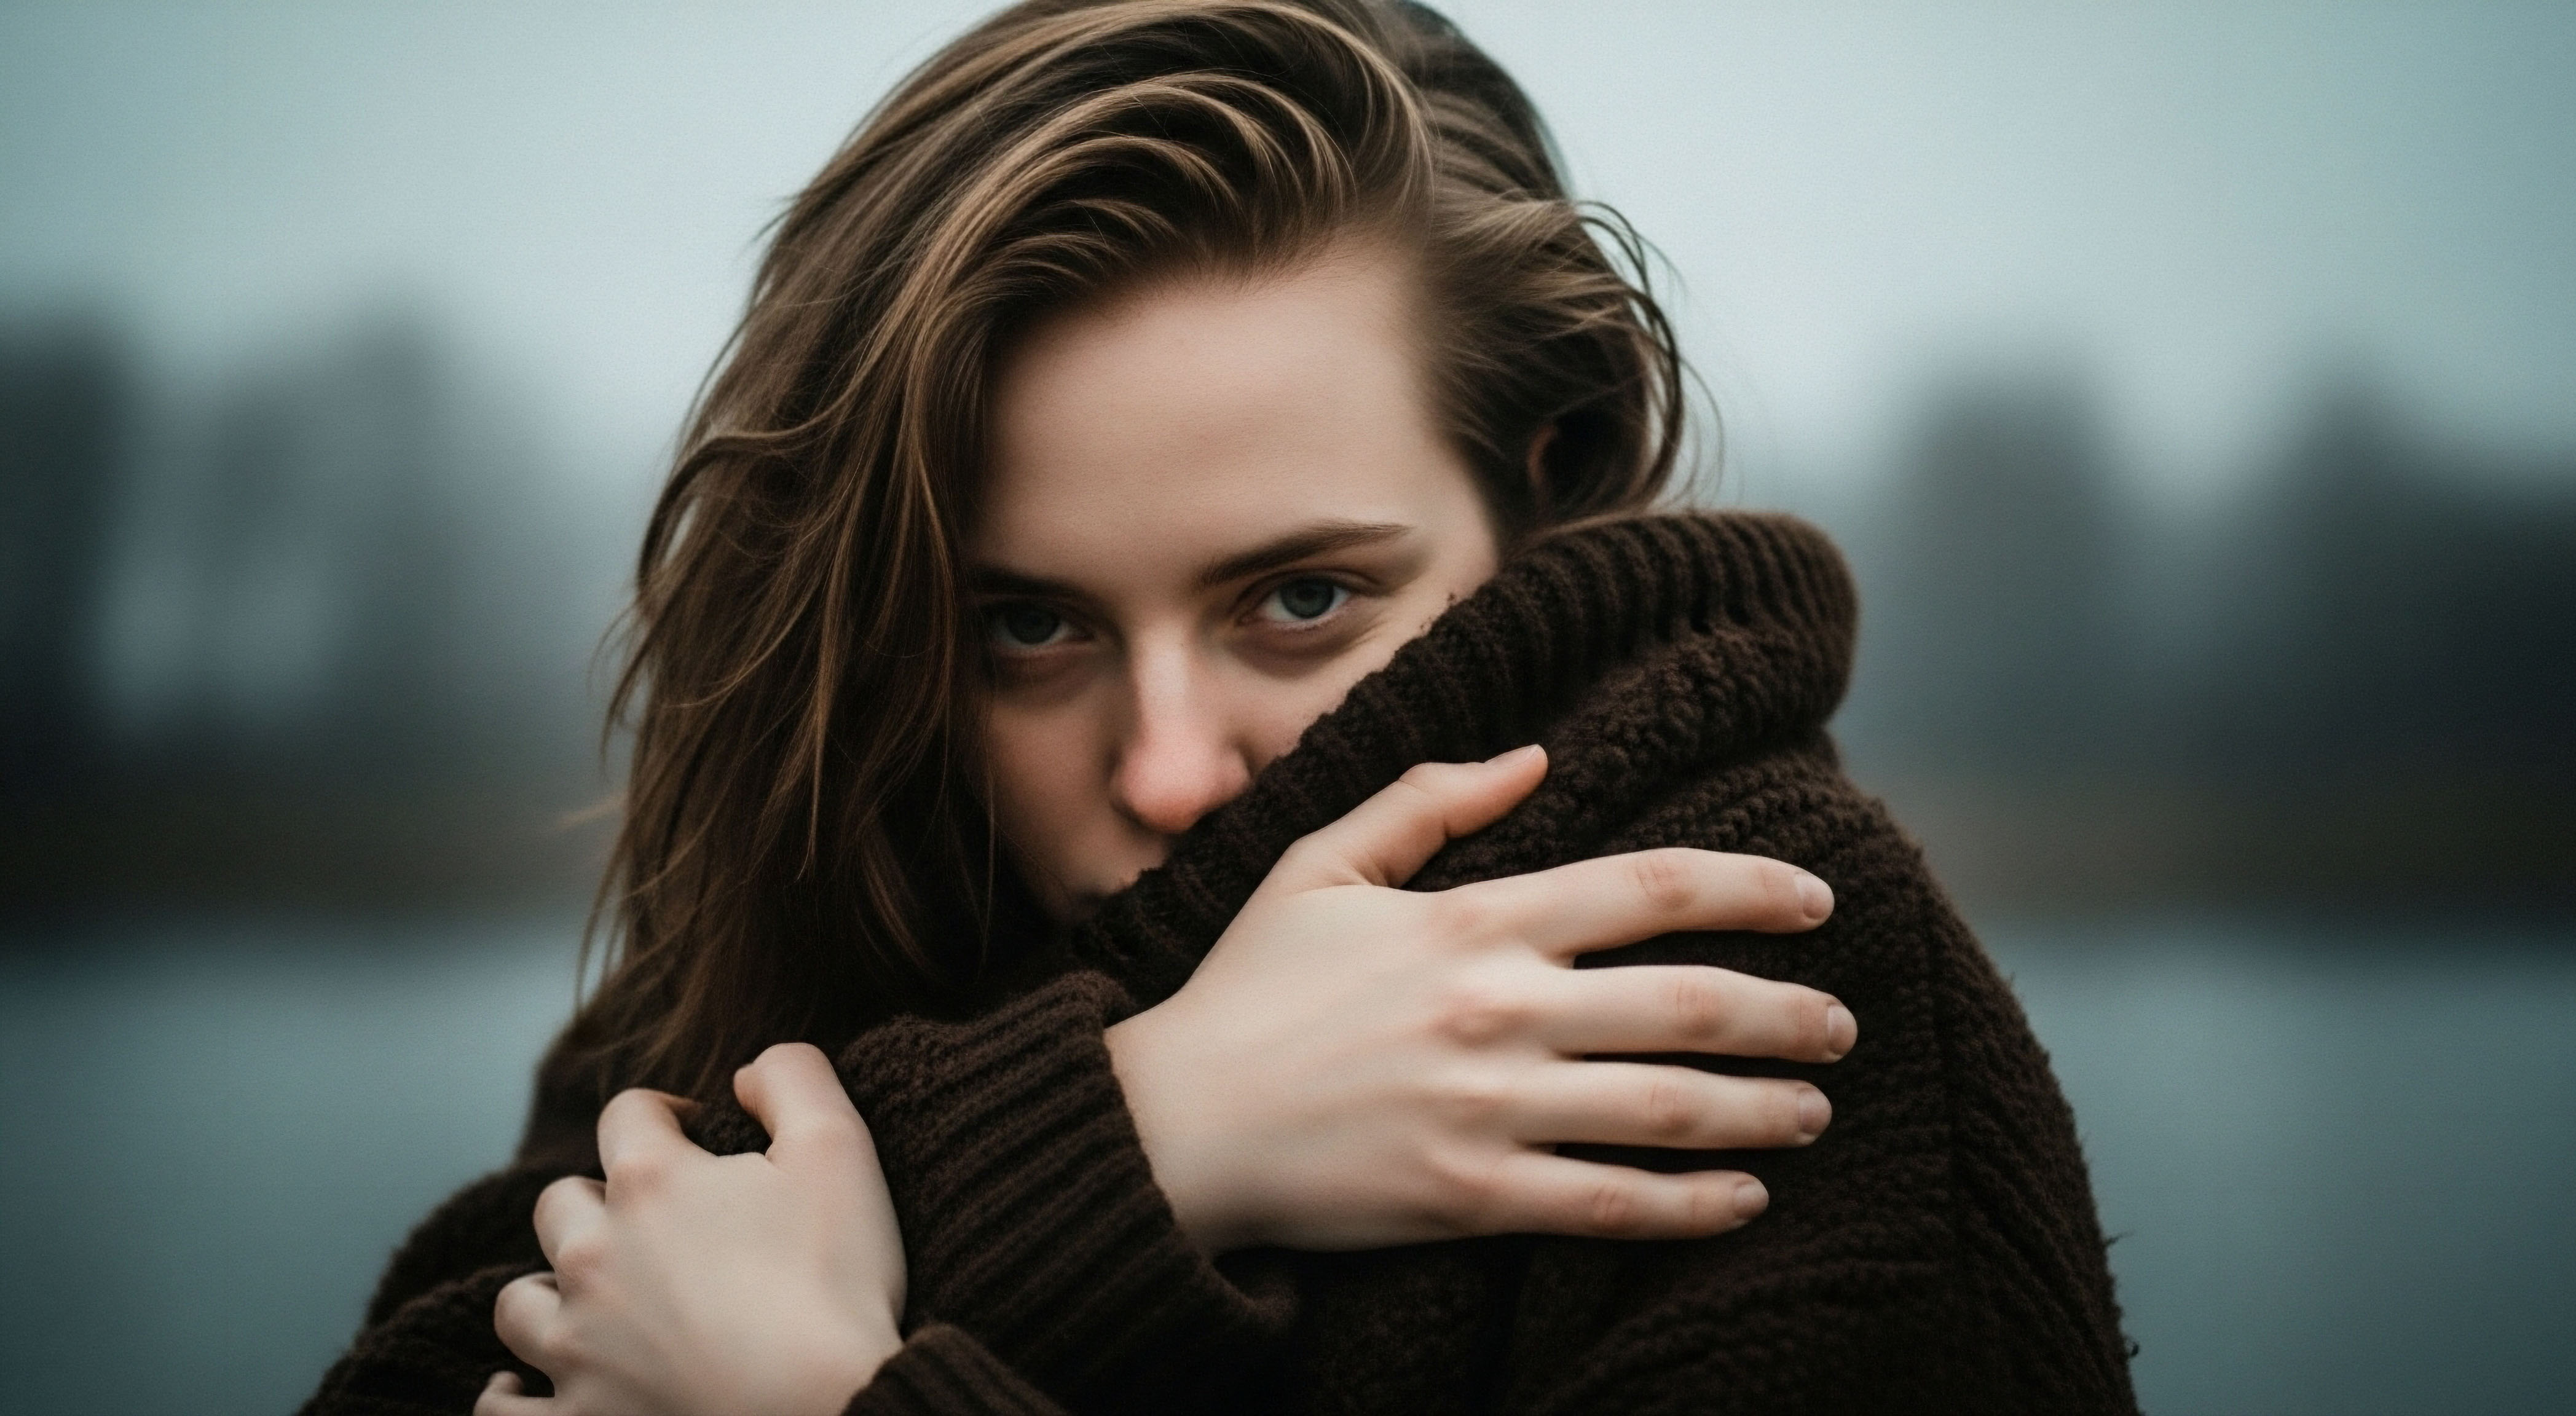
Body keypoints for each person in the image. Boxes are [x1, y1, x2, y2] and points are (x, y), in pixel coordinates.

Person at [302, 2, 2135, 1412]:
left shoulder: (1754, 993)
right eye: (1029, 628)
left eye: (1301, 600)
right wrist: (1144, 1131)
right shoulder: (825, 926)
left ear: (1543, 486)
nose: (1170, 769)